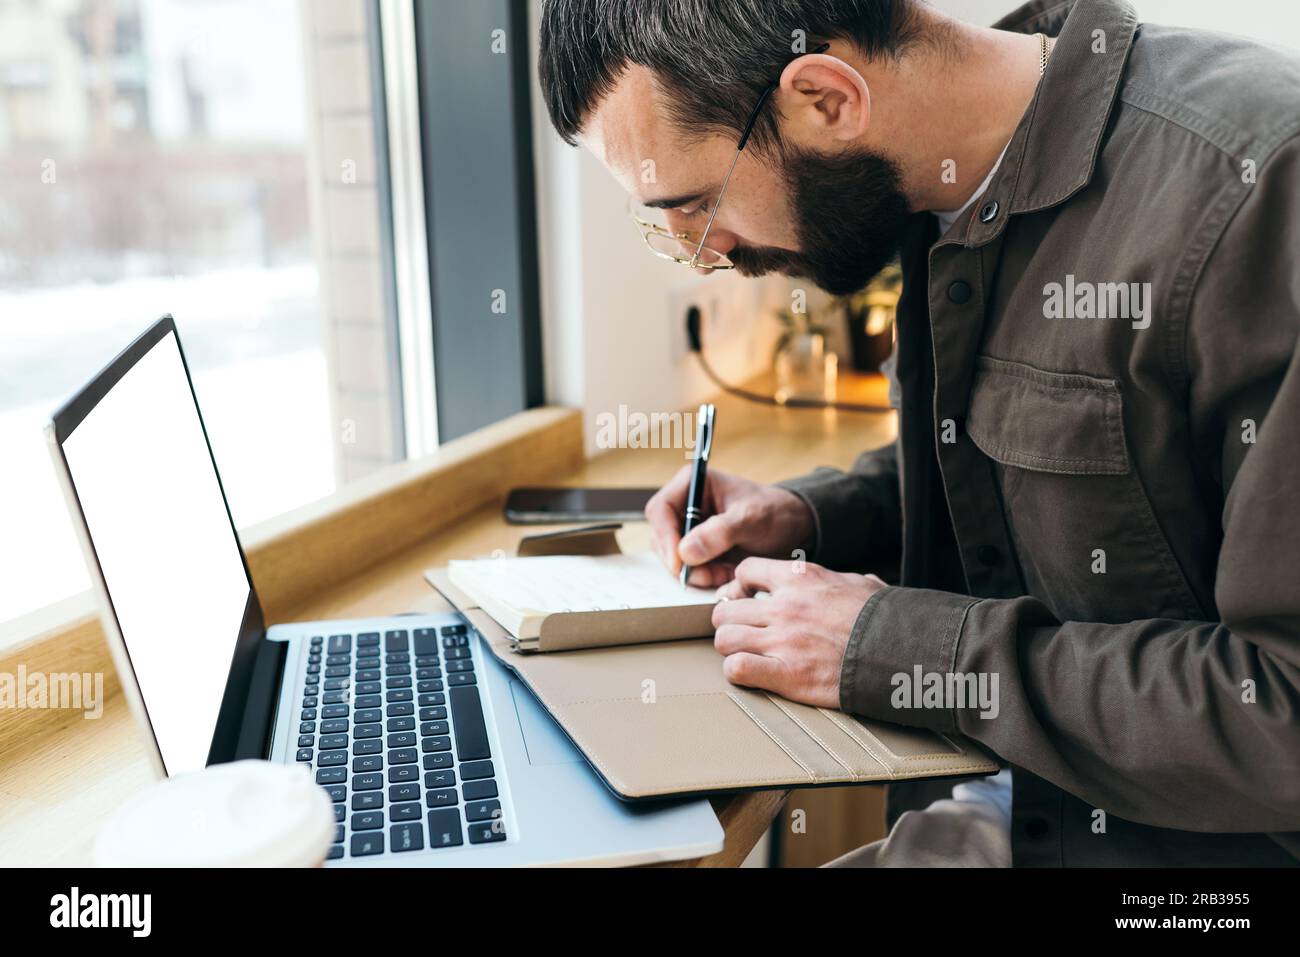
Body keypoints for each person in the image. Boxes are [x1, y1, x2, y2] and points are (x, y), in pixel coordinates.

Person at [537, 0, 1300, 866]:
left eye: (698, 208)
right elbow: (1046, 483)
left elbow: (1283, 711)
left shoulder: (1260, 185)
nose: (705, 256)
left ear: (825, 98)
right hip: (1002, 805)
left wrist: (889, 647)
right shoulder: (925, 187)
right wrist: (816, 515)